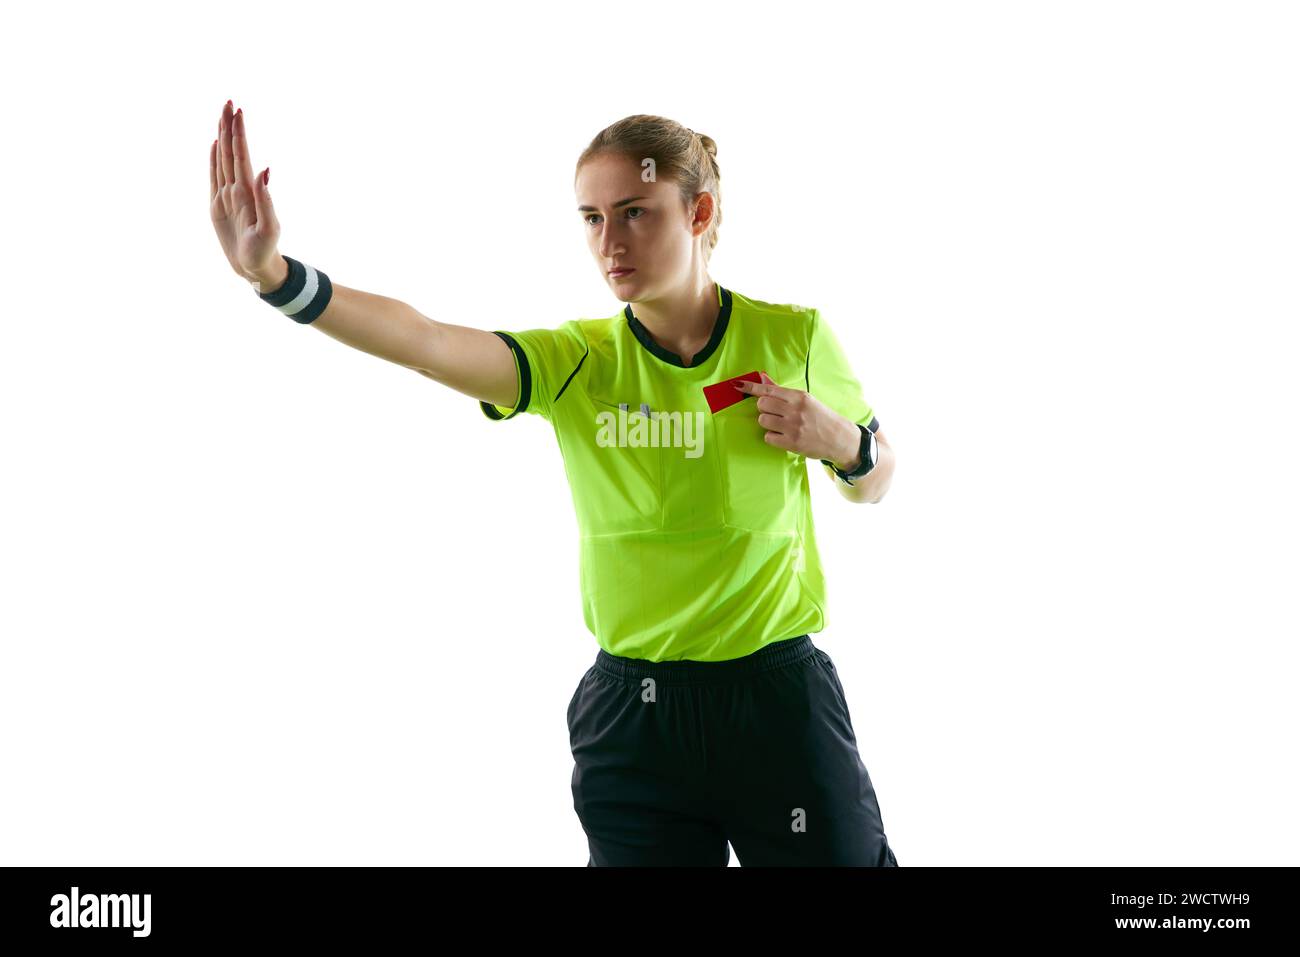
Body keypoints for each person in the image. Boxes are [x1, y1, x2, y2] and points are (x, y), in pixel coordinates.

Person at [210, 101, 899, 866]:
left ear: (698, 211)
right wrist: (276, 277)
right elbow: (430, 344)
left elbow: (876, 478)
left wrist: (846, 443)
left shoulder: (792, 337)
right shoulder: (579, 361)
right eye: (592, 219)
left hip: (778, 706)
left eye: (634, 212)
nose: (611, 242)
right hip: (634, 722)